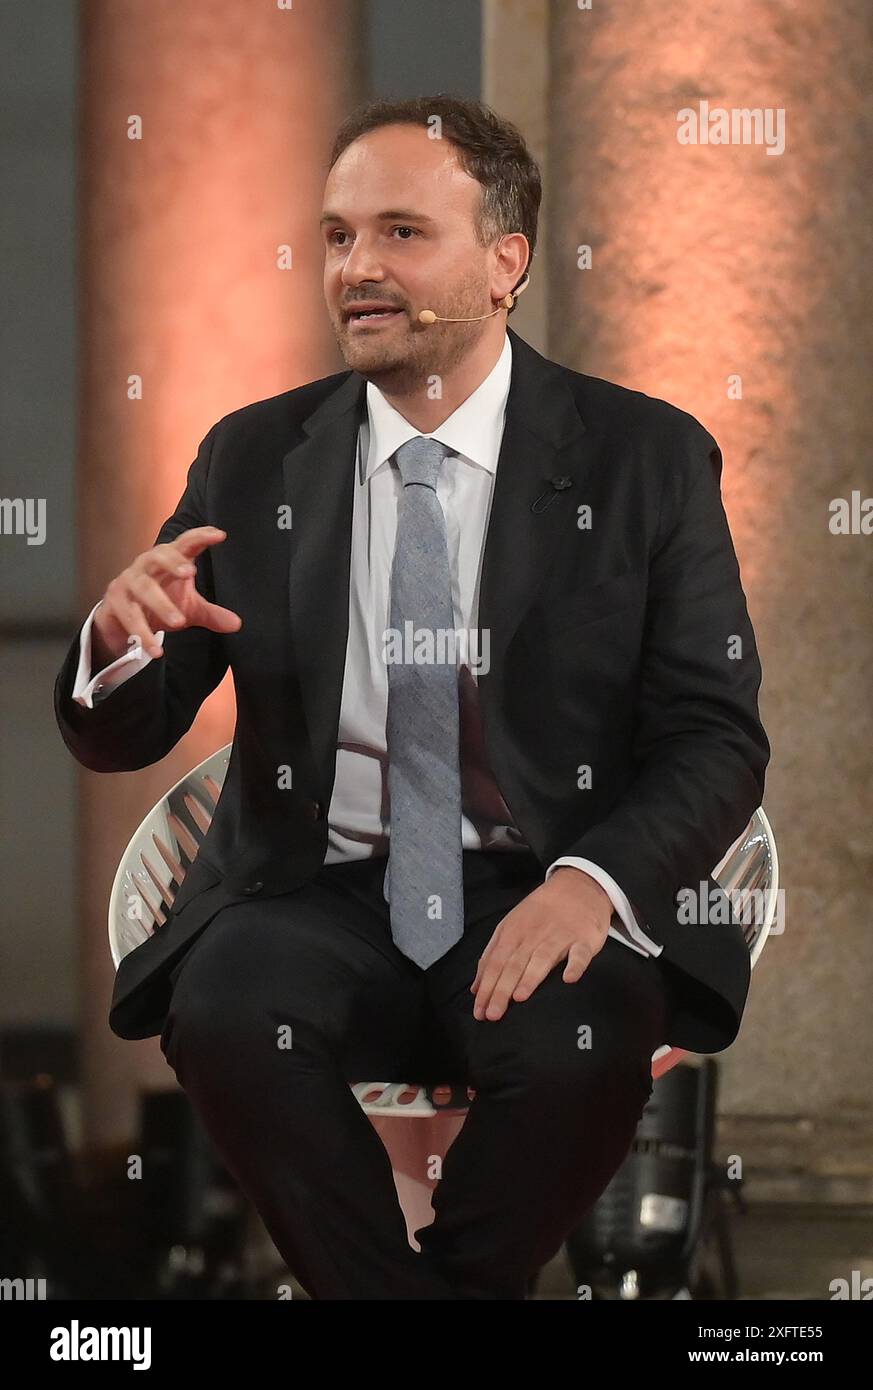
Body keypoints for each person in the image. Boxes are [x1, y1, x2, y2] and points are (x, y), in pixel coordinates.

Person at [54, 95, 770, 1300]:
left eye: (399, 234)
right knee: (227, 1009)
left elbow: (715, 733)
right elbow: (136, 722)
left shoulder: (641, 457)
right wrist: (116, 645)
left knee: (581, 1040)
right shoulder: (254, 453)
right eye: (337, 238)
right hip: (318, 888)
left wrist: (588, 886)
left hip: (544, 880)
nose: (355, 270)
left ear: (507, 263)